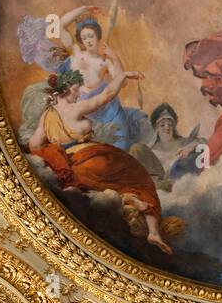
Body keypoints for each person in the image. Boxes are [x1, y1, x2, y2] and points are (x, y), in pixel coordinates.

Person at [27, 71, 181, 255]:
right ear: (66, 89)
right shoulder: (75, 109)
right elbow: (107, 95)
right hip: (93, 158)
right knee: (138, 175)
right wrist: (123, 75)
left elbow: (34, 145)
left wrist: (56, 158)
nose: (78, 94)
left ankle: (127, 199)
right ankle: (153, 231)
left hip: (72, 168)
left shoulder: (46, 116)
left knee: (109, 185)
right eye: (76, 90)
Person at [18, 6, 146, 150]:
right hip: (81, 108)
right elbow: (61, 25)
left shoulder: (105, 62)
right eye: (84, 37)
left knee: (120, 145)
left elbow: (123, 84)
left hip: (106, 109)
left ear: (98, 37)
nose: (88, 41)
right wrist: (83, 9)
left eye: (91, 36)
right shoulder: (77, 53)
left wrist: (114, 57)